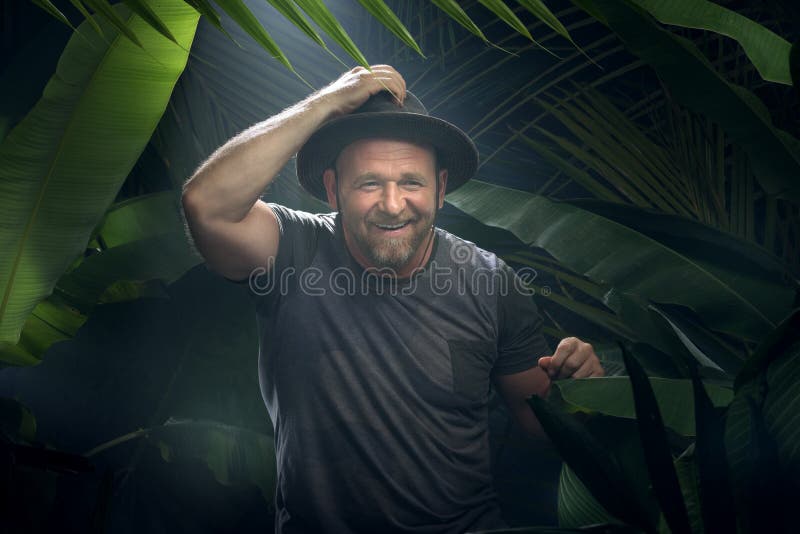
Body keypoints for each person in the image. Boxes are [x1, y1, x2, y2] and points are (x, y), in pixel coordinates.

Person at [181, 65, 604, 534]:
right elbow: (207, 205)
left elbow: (541, 421)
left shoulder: (491, 282)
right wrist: (325, 104)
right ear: (332, 188)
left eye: (411, 182)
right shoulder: (292, 249)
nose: (392, 203)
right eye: (368, 184)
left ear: (440, 188)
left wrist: (581, 388)